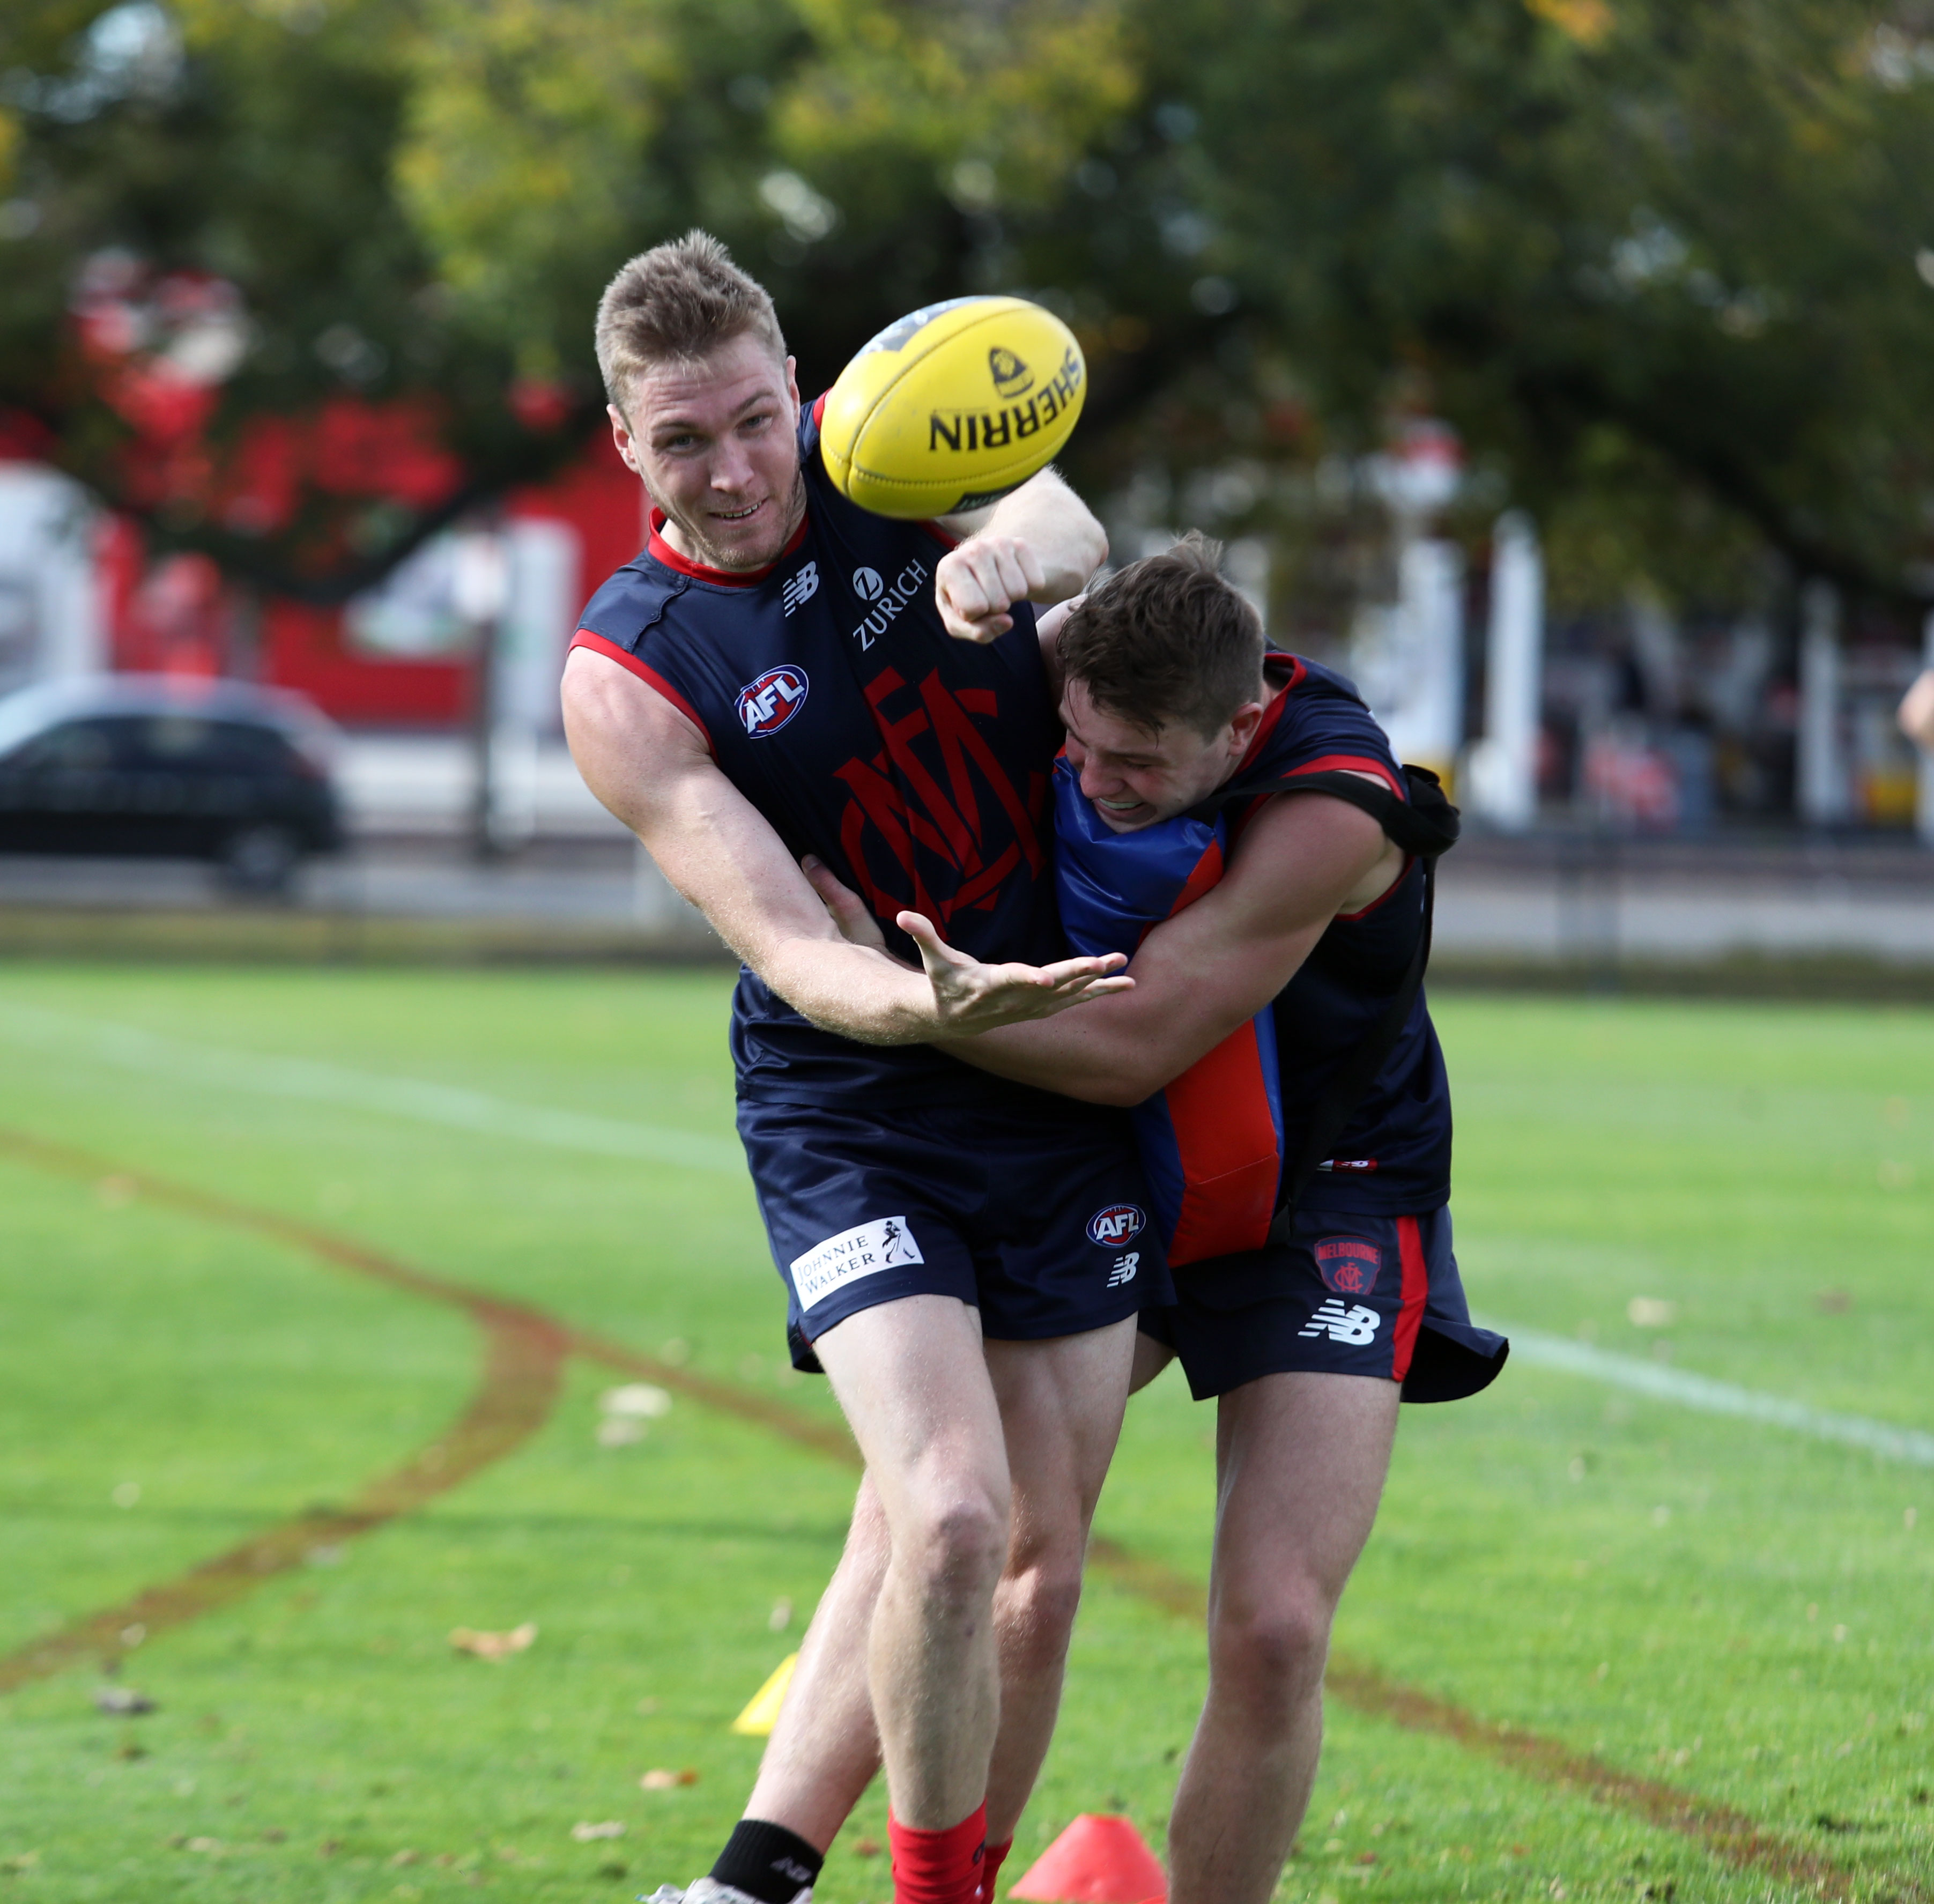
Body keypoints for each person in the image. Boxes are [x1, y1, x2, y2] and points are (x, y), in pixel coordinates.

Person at [713, 536, 1506, 1904]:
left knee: (1272, 1630)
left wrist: (898, 996)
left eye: (1135, 762)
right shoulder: (1065, 699)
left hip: (1327, 1184)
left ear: (1238, 728)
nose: (1091, 781)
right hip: (1114, 1165)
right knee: (960, 1527)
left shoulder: (1332, 803)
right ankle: (771, 1878)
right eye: (1077, 746)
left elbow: (1131, 1047)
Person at [560, 233, 1174, 1904]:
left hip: (1053, 1065)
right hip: (854, 1099)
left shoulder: (882, 454)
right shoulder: (629, 674)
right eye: (683, 441)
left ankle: (761, 1879)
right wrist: (929, 1008)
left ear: (799, 390)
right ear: (625, 445)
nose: (733, 470)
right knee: (952, 1513)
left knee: (1037, 1567)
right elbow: (788, 943)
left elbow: (1065, 519)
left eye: (754, 420)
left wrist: (1016, 554)